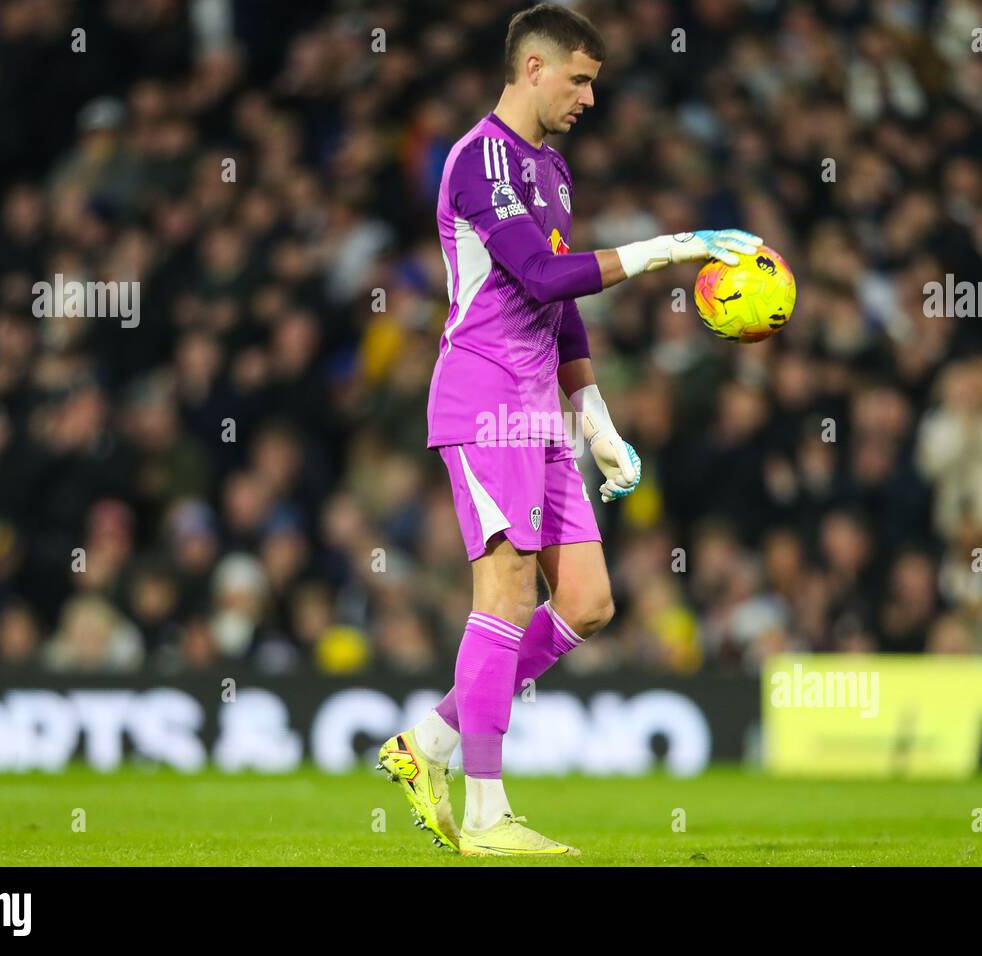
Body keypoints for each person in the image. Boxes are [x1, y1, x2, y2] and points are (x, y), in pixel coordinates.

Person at [374, 3, 761, 857]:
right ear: (534, 68)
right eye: (580, 80)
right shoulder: (478, 159)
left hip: (541, 409)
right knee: (507, 594)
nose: (590, 98)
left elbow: (563, 311)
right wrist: (676, 247)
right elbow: (545, 274)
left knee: (587, 602)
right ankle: (486, 815)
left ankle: (429, 742)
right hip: (484, 398)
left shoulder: (551, 171)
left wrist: (599, 422)